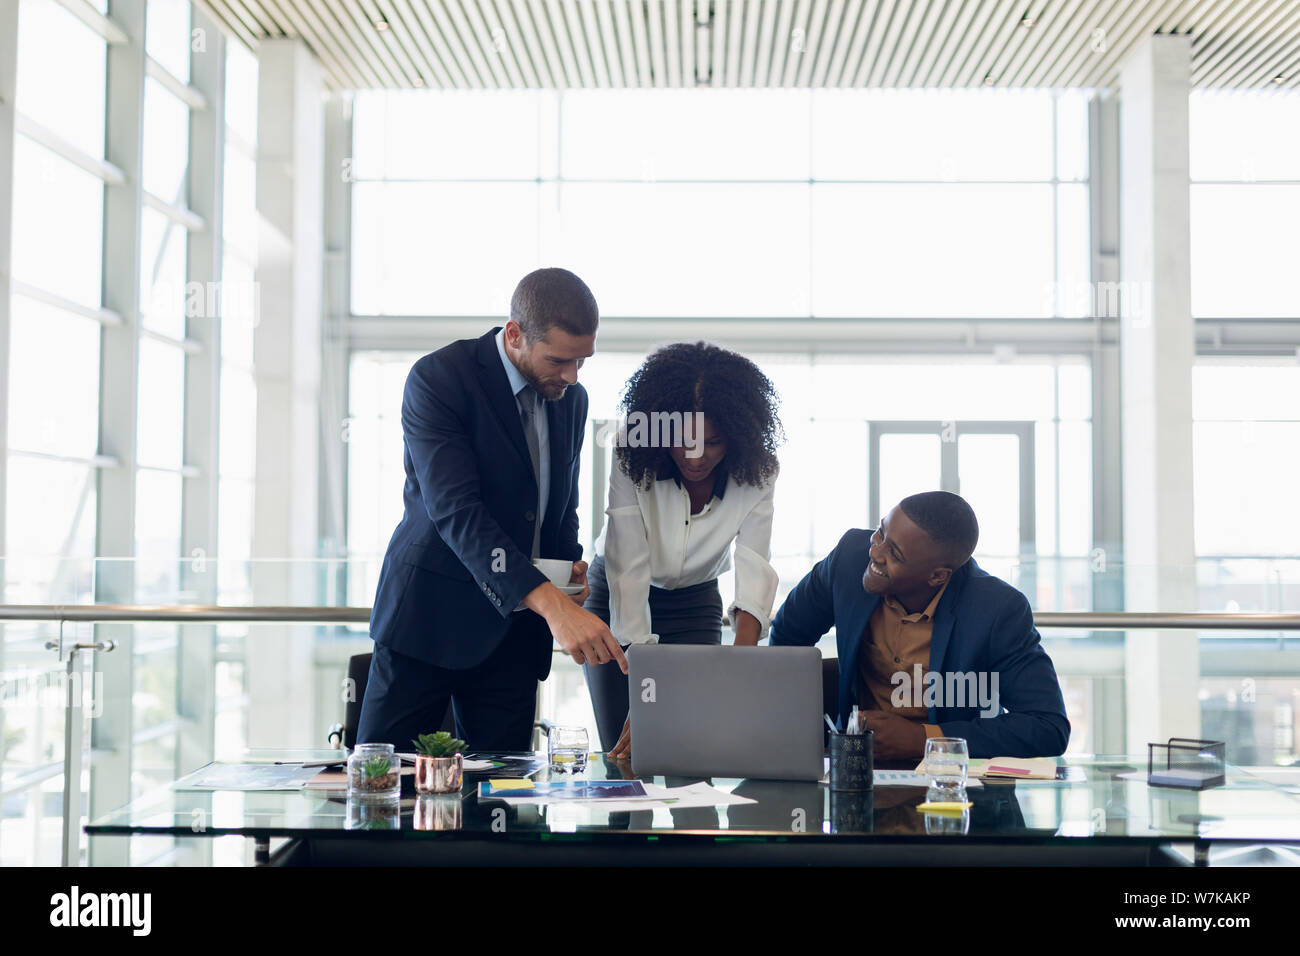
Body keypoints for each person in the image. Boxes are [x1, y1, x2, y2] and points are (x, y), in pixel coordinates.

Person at [356, 268, 627, 752]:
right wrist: (552, 604)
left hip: (514, 639)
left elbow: (559, 506)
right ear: (515, 334)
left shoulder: (571, 399)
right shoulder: (439, 379)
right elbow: (457, 512)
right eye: (559, 360)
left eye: (582, 361)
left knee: (504, 803)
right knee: (384, 793)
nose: (572, 375)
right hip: (428, 623)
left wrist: (569, 573)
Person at [583, 342, 784, 758]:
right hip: (617, 598)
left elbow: (753, 561)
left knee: (694, 749)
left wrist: (741, 661)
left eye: (712, 442)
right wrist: (646, 693)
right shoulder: (630, 453)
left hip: (695, 602)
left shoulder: (758, 471)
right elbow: (629, 567)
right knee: (626, 753)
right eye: (682, 440)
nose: (696, 456)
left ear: (735, 435)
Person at [770, 491, 1069, 760]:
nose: (875, 553)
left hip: (953, 785)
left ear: (937, 576)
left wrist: (924, 739)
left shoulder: (997, 609)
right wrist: (802, 740)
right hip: (857, 773)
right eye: (880, 533)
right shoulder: (849, 559)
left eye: (895, 554)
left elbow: (1047, 726)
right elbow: (787, 636)